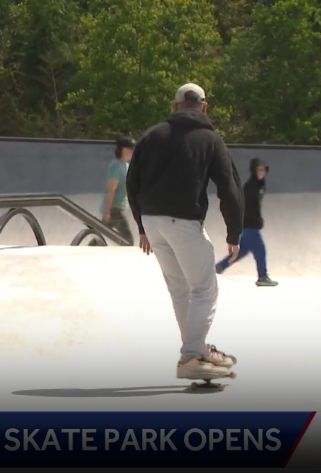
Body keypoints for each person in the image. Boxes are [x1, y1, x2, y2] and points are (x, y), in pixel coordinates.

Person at [126, 83, 244, 380]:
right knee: (205, 289)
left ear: (175, 105)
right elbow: (229, 188)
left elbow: (132, 182)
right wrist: (234, 233)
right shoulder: (210, 139)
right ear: (204, 106)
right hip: (183, 222)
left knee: (179, 289)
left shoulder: (151, 135)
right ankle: (191, 355)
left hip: (153, 223)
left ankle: (196, 348)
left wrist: (141, 226)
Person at [215, 158, 278, 287]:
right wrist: (252, 220)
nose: (261, 173)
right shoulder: (251, 186)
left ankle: (219, 267)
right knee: (260, 250)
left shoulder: (260, 184)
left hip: (251, 224)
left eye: (263, 170)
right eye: (259, 170)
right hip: (249, 224)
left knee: (241, 251)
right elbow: (244, 206)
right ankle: (262, 276)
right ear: (254, 171)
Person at [98, 137, 135, 244]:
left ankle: (86, 249)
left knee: (100, 235)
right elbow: (111, 190)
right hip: (114, 210)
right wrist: (107, 211)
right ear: (123, 150)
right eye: (130, 150)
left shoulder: (126, 166)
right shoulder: (115, 166)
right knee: (128, 241)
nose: (132, 152)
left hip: (117, 209)